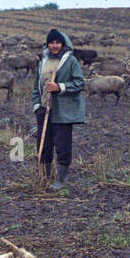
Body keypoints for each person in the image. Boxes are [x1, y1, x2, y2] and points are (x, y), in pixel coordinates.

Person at [31, 28, 86, 191]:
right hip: (44, 109)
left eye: (57, 43)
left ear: (63, 44)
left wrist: (60, 87)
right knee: (43, 145)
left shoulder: (70, 62)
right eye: (52, 43)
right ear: (47, 44)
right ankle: (45, 177)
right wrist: (37, 105)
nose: (54, 46)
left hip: (62, 112)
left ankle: (60, 180)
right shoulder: (42, 62)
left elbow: (79, 83)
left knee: (62, 146)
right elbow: (36, 87)